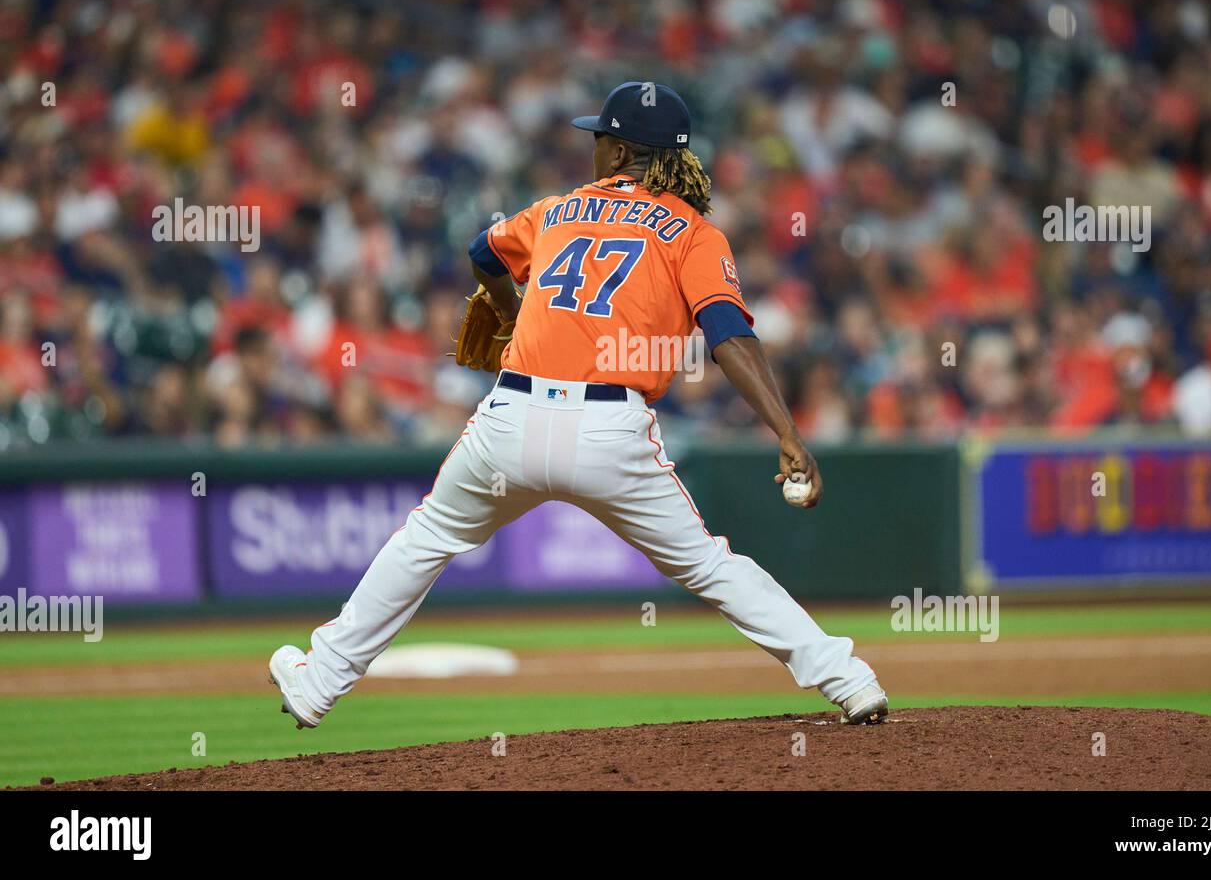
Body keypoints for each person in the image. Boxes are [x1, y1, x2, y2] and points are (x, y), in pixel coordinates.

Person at [269, 82, 888, 727]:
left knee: (428, 536)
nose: (592, 146)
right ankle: (849, 680)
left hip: (509, 421)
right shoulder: (695, 234)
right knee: (710, 565)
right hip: (609, 430)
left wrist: (510, 312)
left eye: (600, 137)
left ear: (621, 151)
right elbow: (728, 334)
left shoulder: (557, 211)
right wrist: (785, 430)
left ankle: (320, 682)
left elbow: (482, 253)